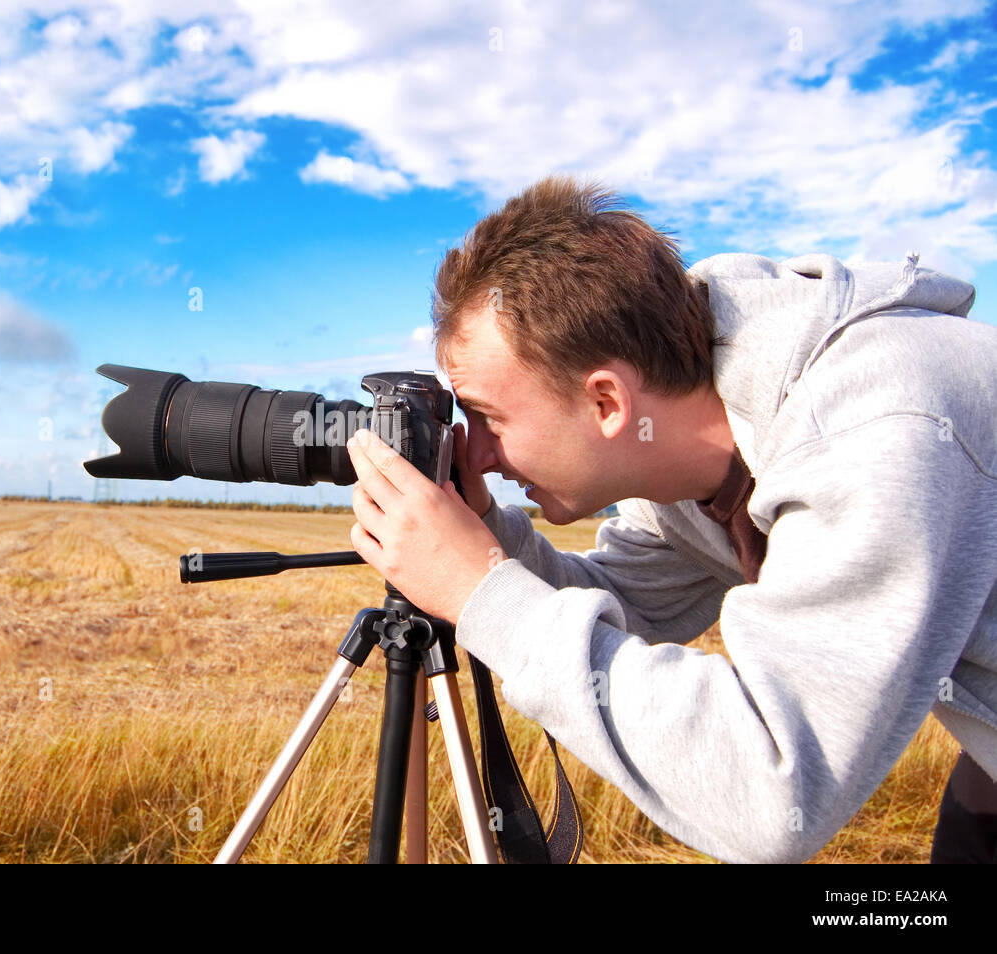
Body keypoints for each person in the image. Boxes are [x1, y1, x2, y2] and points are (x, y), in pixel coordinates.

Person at [343, 175, 997, 864]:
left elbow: (772, 788)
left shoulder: (872, 425)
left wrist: (480, 594)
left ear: (606, 402)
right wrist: (483, 537)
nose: (474, 451)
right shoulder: (695, 437)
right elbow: (627, 602)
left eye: (488, 418)